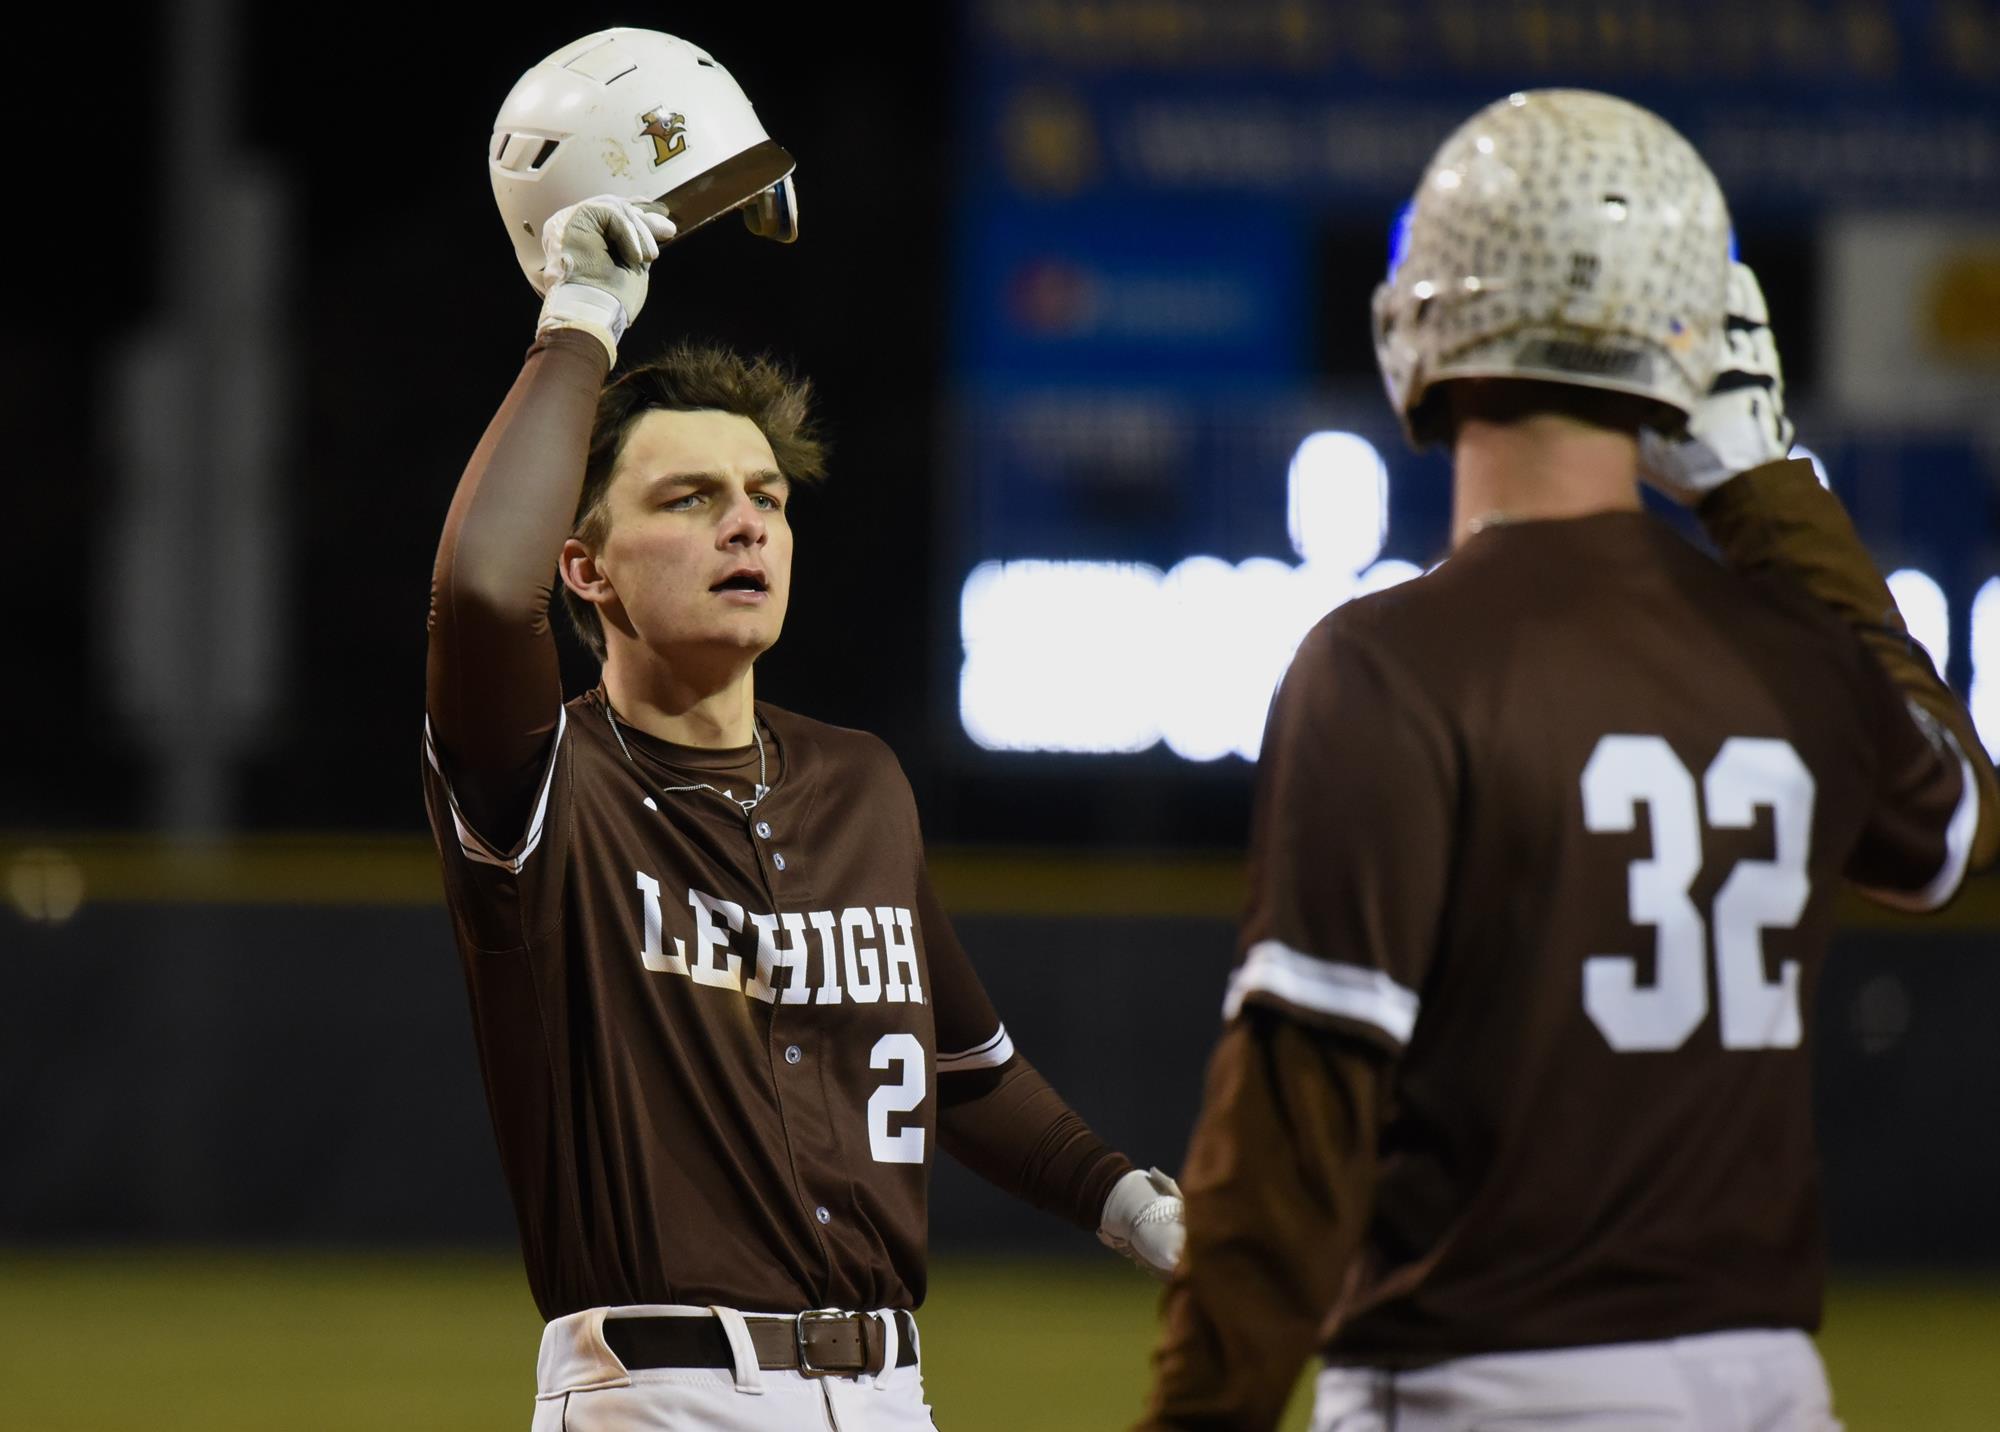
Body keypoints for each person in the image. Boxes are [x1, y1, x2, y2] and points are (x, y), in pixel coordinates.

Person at [1141, 89, 1997, 1431]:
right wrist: (1765, 488)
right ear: (1700, 342)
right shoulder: (1798, 654)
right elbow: (1956, 829)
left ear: (1426, 316)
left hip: (1484, 1383)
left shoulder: (1387, 664)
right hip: (1773, 1391)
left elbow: (1294, 1142)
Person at [425, 29, 1184, 1432]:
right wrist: (580, 321)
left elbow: (970, 1074)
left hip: (893, 1393)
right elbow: (479, 592)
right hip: (663, 1394)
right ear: (584, 569)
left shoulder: (860, 782)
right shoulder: (546, 785)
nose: (747, 525)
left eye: (766, 498)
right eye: (688, 500)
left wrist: (1137, 1208)